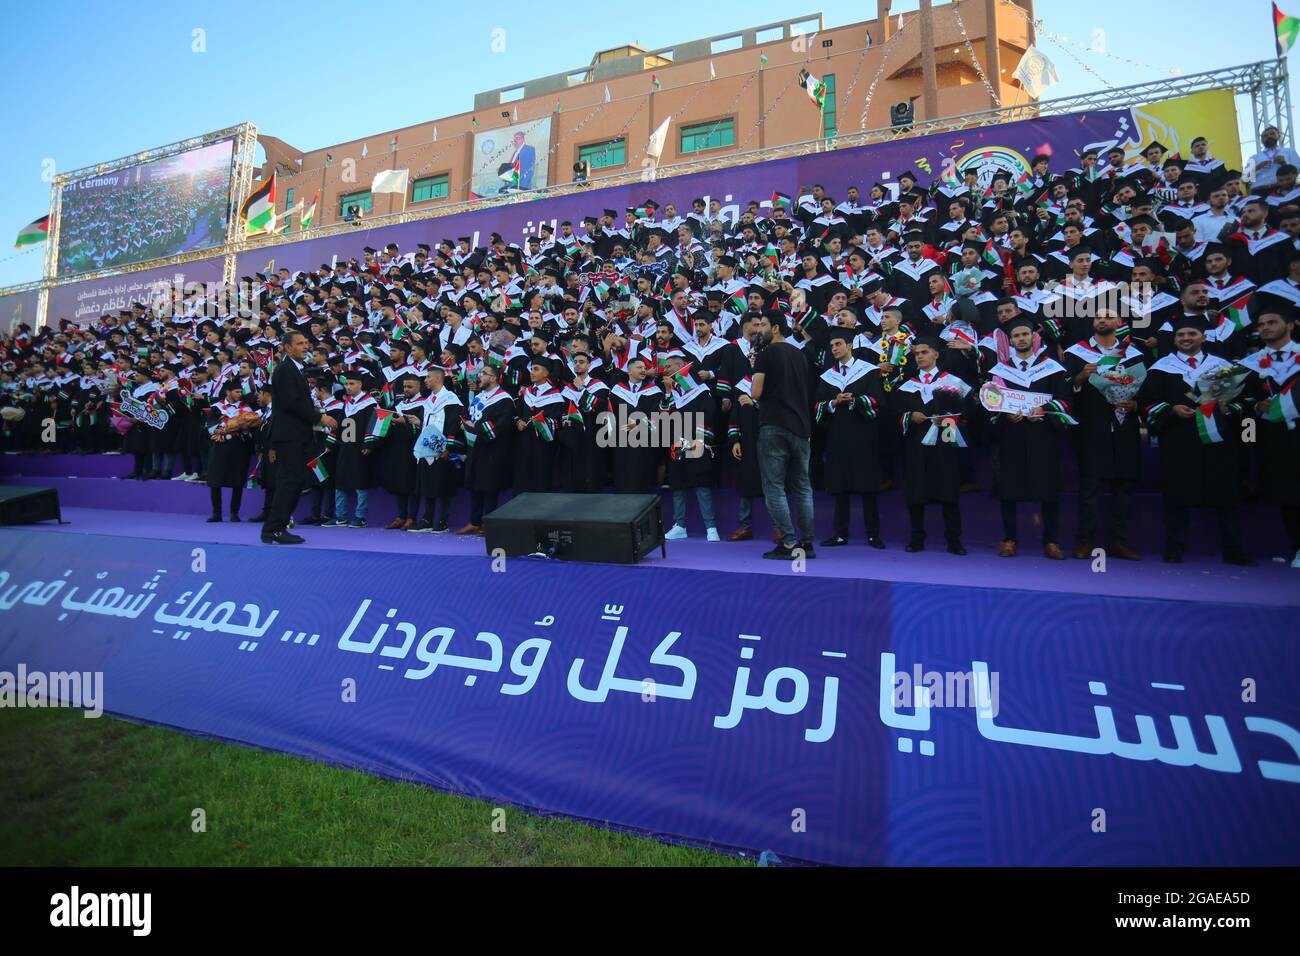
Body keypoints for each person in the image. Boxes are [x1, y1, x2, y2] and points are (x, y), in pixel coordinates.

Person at [1138, 315, 1254, 565]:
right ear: (1175, 339)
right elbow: (1147, 404)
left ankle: (1233, 549)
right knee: (1177, 494)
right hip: (1179, 439)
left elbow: (1244, 404)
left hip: (1218, 439)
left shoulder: (1221, 366)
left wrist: (1228, 409)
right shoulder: (1161, 368)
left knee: (1225, 493)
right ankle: (1174, 548)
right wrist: (1171, 410)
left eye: (1191, 334)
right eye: (1180, 335)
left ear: (1203, 337)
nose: (1186, 338)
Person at [985, 317, 1074, 559]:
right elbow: (991, 405)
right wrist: (1004, 416)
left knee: (1048, 487)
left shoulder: (1052, 367)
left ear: (1034, 337)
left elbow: (1066, 399)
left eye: (1025, 334)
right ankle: (1010, 538)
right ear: (1011, 341)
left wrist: (1045, 410)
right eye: (1016, 336)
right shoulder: (1000, 371)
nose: (1021, 338)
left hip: (1042, 433)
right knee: (1009, 488)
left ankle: (1051, 540)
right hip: (1012, 434)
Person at [1062, 311, 1146, 560]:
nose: (1102, 320)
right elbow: (1065, 388)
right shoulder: (1077, 353)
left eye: (1108, 317)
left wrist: (1136, 405)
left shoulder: (1134, 354)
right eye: (1097, 317)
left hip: (1124, 425)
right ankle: (1085, 541)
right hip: (1092, 425)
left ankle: (1118, 541)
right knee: (1090, 486)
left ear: (1119, 323)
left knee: (1124, 485)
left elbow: (1147, 388)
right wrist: (1081, 377)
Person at [895, 337, 970, 555]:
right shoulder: (907, 385)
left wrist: (949, 419)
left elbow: (967, 413)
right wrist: (910, 416)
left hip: (946, 439)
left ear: (936, 354)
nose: (919, 356)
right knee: (916, 491)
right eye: (917, 353)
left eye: (924, 352)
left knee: (948, 490)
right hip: (916, 442)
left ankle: (954, 540)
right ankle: (917, 538)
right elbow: (895, 413)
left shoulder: (952, 382)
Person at [1239, 299, 1299, 566]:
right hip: (1273, 436)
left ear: (1290, 325)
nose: (1265, 327)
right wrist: (1255, 404)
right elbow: (1244, 399)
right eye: (1261, 324)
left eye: (1272, 322)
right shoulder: (1250, 365)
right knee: (1287, 491)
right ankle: (1297, 546)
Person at [262, 331, 337, 544]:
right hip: (289, 435)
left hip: (296, 434)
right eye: (300, 343)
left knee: (293, 482)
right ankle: (274, 529)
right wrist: (320, 417)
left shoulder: (295, 369)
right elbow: (292, 403)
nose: (306, 347)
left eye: (306, 343)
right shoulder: (285, 370)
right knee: (289, 482)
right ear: (287, 348)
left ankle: (275, 527)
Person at [752, 310, 815, 560]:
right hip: (801, 427)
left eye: (763, 324)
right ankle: (807, 544)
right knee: (802, 488)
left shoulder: (766, 354)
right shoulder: (799, 355)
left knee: (774, 488)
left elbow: (756, 392)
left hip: (774, 426)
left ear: (776, 328)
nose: (759, 330)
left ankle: (789, 544)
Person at [815, 330, 886, 548]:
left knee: (868, 486)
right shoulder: (828, 377)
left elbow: (878, 400)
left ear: (849, 345)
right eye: (832, 345)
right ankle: (840, 534)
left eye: (838, 344)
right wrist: (834, 402)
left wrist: (855, 400)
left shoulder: (868, 371)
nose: (834, 349)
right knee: (840, 486)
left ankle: (873, 534)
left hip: (864, 434)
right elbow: (817, 406)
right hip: (838, 435)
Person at [459, 364, 515, 534]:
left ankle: (487, 523)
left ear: (493, 378)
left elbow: (501, 425)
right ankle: (474, 521)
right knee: (475, 484)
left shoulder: (504, 399)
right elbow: (470, 416)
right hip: (477, 447)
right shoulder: (480, 396)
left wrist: (475, 427)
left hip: (494, 448)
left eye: (483, 373)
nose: (479, 377)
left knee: (489, 486)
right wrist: (466, 424)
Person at [330, 367, 379, 529]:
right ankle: (340, 516)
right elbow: (340, 424)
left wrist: (368, 443)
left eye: (351, 384)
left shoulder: (370, 403)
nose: (348, 387)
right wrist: (331, 441)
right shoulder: (347, 403)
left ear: (360, 384)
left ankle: (360, 517)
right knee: (341, 481)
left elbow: (373, 424)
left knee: (360, 481)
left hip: (360, 447)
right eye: (346, 384)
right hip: (345, 446)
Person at [204, 379, 254, 522]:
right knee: (216, 479)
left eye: (240, 391)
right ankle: (216, 513)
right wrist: (223, 428)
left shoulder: (246, 409)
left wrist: (244, 429)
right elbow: (210, 428)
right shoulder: (217, 408)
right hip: (220, 447)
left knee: (237, 480)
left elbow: (251, 433)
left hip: (238, 448)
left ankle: (234, 513)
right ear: (228, 392)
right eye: (237, 391)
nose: (240, 394)